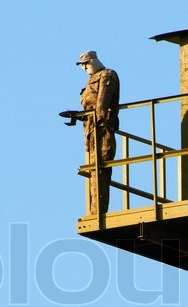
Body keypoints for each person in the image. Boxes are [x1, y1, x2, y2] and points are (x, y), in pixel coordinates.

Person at [77, 50, 120, 215]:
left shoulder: (107, 75)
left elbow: (102, 105)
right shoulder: (90, 81)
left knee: (101, 169)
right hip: (90, 132)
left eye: (86, 64)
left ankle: (99, 212)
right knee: (93, 171)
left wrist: (96, 118)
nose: (84, 68)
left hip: (103, 130)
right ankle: (94, 211)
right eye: (82, 65)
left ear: (94, 61)